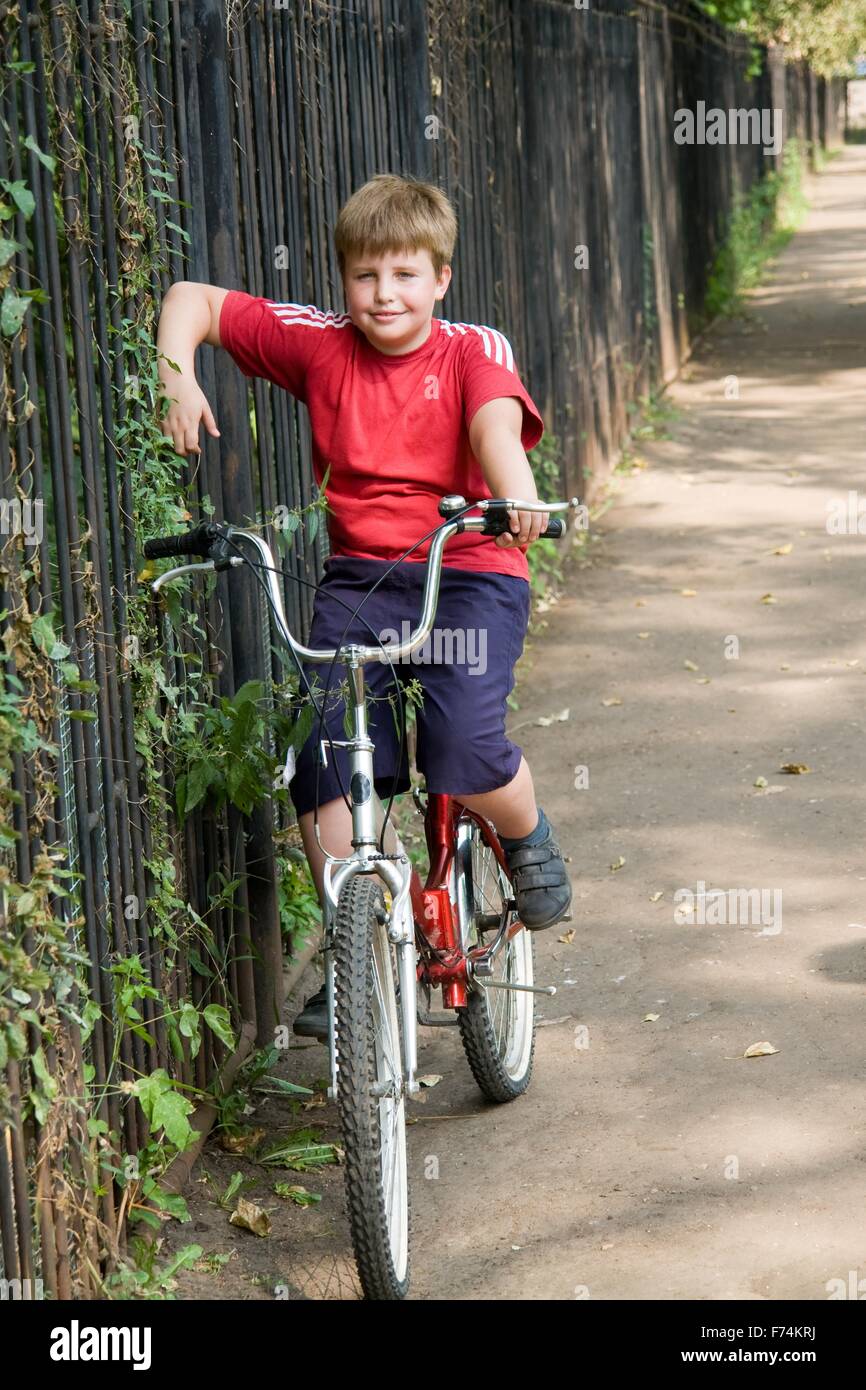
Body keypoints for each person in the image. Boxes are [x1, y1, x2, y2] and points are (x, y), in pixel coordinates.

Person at [156, 173, 572, 1041]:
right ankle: (360, 956)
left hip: (468, 567)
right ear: (344, 279)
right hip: (359, 582)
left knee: (460, 745)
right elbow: (192, 298)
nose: (386, 295)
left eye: (407, 275)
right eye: (366, 276)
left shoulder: (471, 348)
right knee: (327, 763)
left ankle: (525, 831)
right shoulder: (320, 344)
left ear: (441, 278)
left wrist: (518, 492)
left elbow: (496, 427)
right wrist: (177, 378)